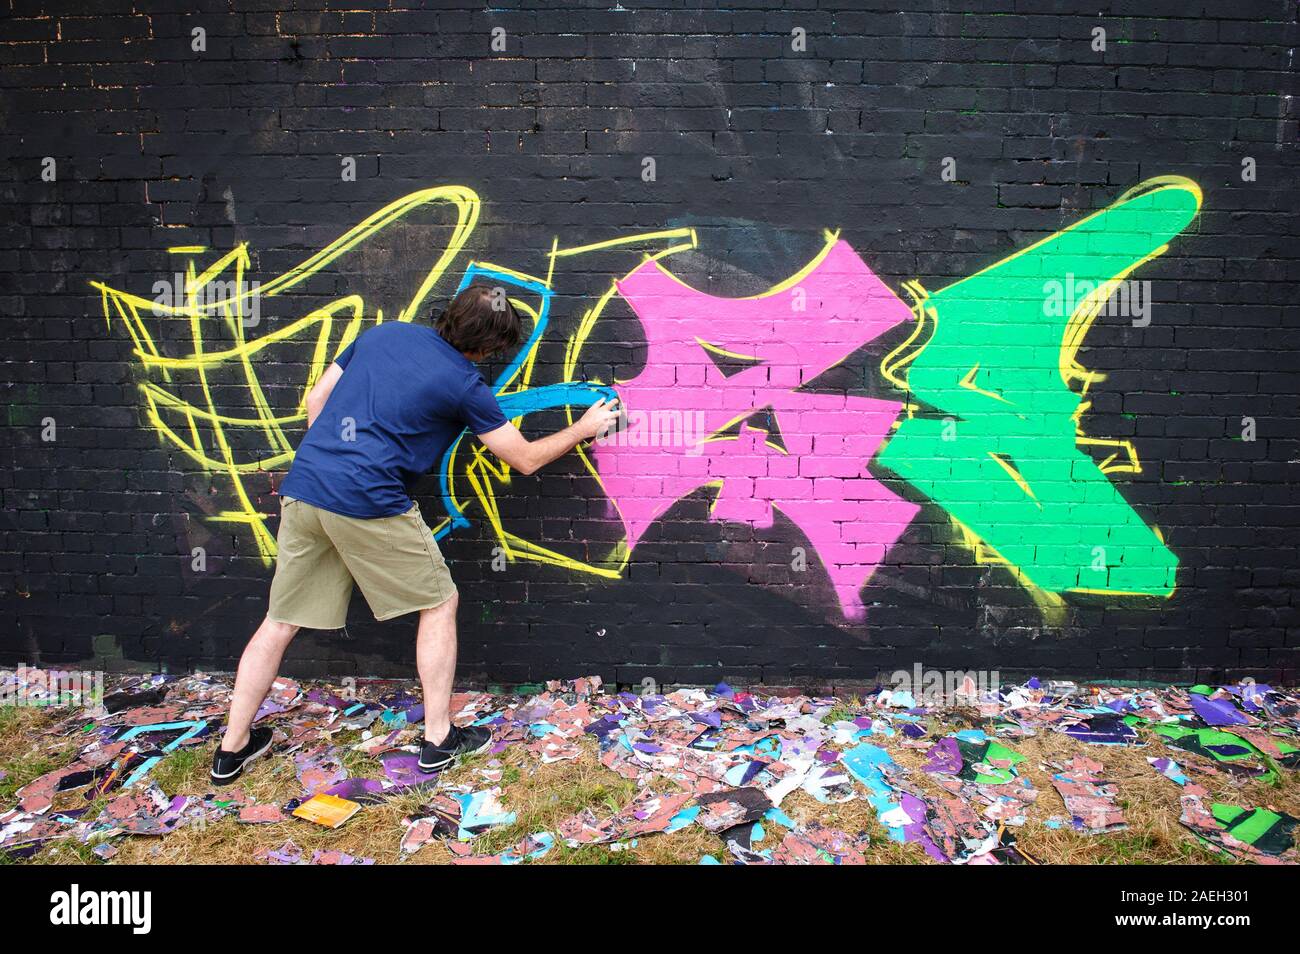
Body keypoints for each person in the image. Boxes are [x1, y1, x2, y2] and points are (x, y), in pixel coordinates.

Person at [210, 284, 620, 784]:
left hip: (307, 487)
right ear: (489, 346)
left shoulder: (383, 335)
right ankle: (439, 739)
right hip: (369, 502)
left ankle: (231, 750)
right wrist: (584, 427)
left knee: (280, 620)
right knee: (439, 604)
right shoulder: (464, 384)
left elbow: (317, 398)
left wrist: (333, 461)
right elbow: (525, 459)